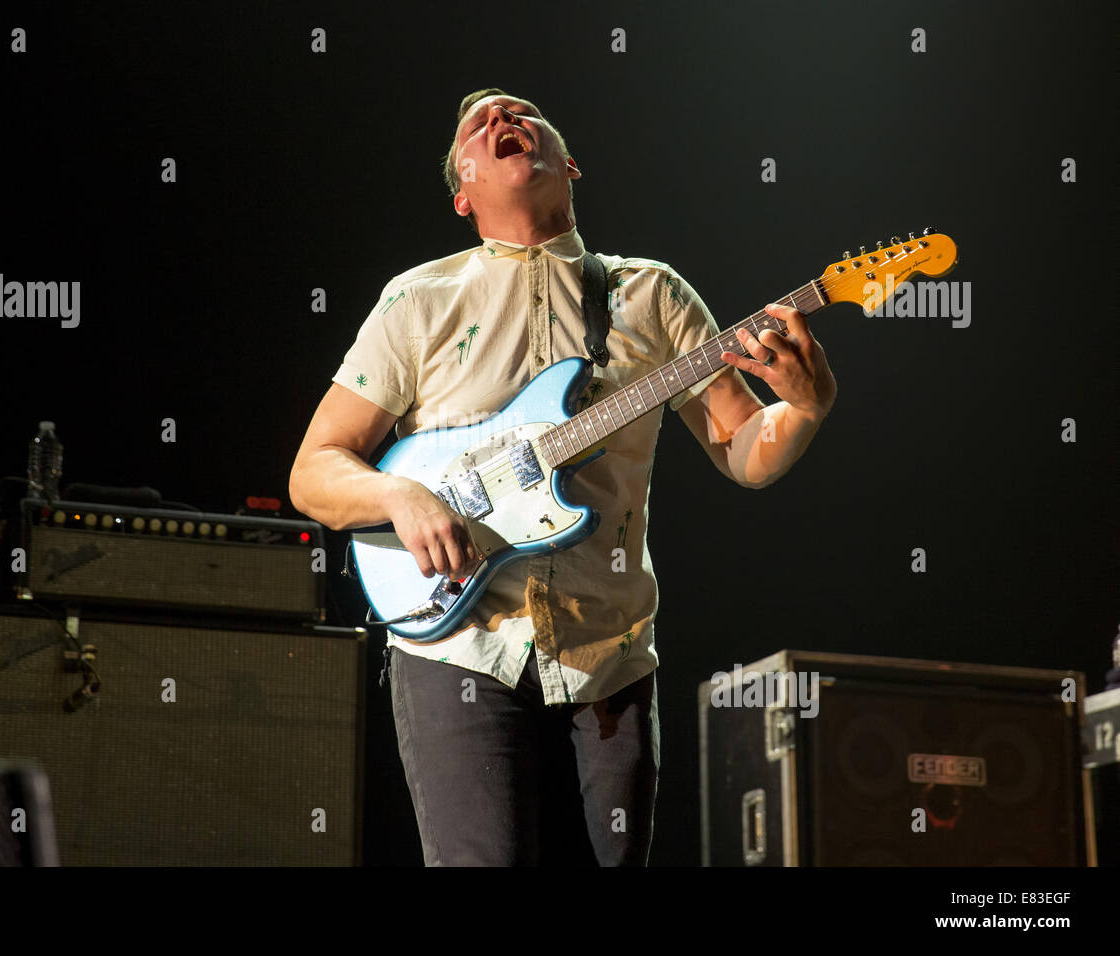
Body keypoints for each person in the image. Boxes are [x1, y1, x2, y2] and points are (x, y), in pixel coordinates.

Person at [288, 88, 837, 865]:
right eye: (478, 125)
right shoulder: (416, 301)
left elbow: (743, 446)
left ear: (568, 164)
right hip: (460, 648)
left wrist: (806, 410)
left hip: (609, 659)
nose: (500, 120)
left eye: (520, 112)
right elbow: (314, 472)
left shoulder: (651, 293)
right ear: (463, 192)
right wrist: (398, 496)